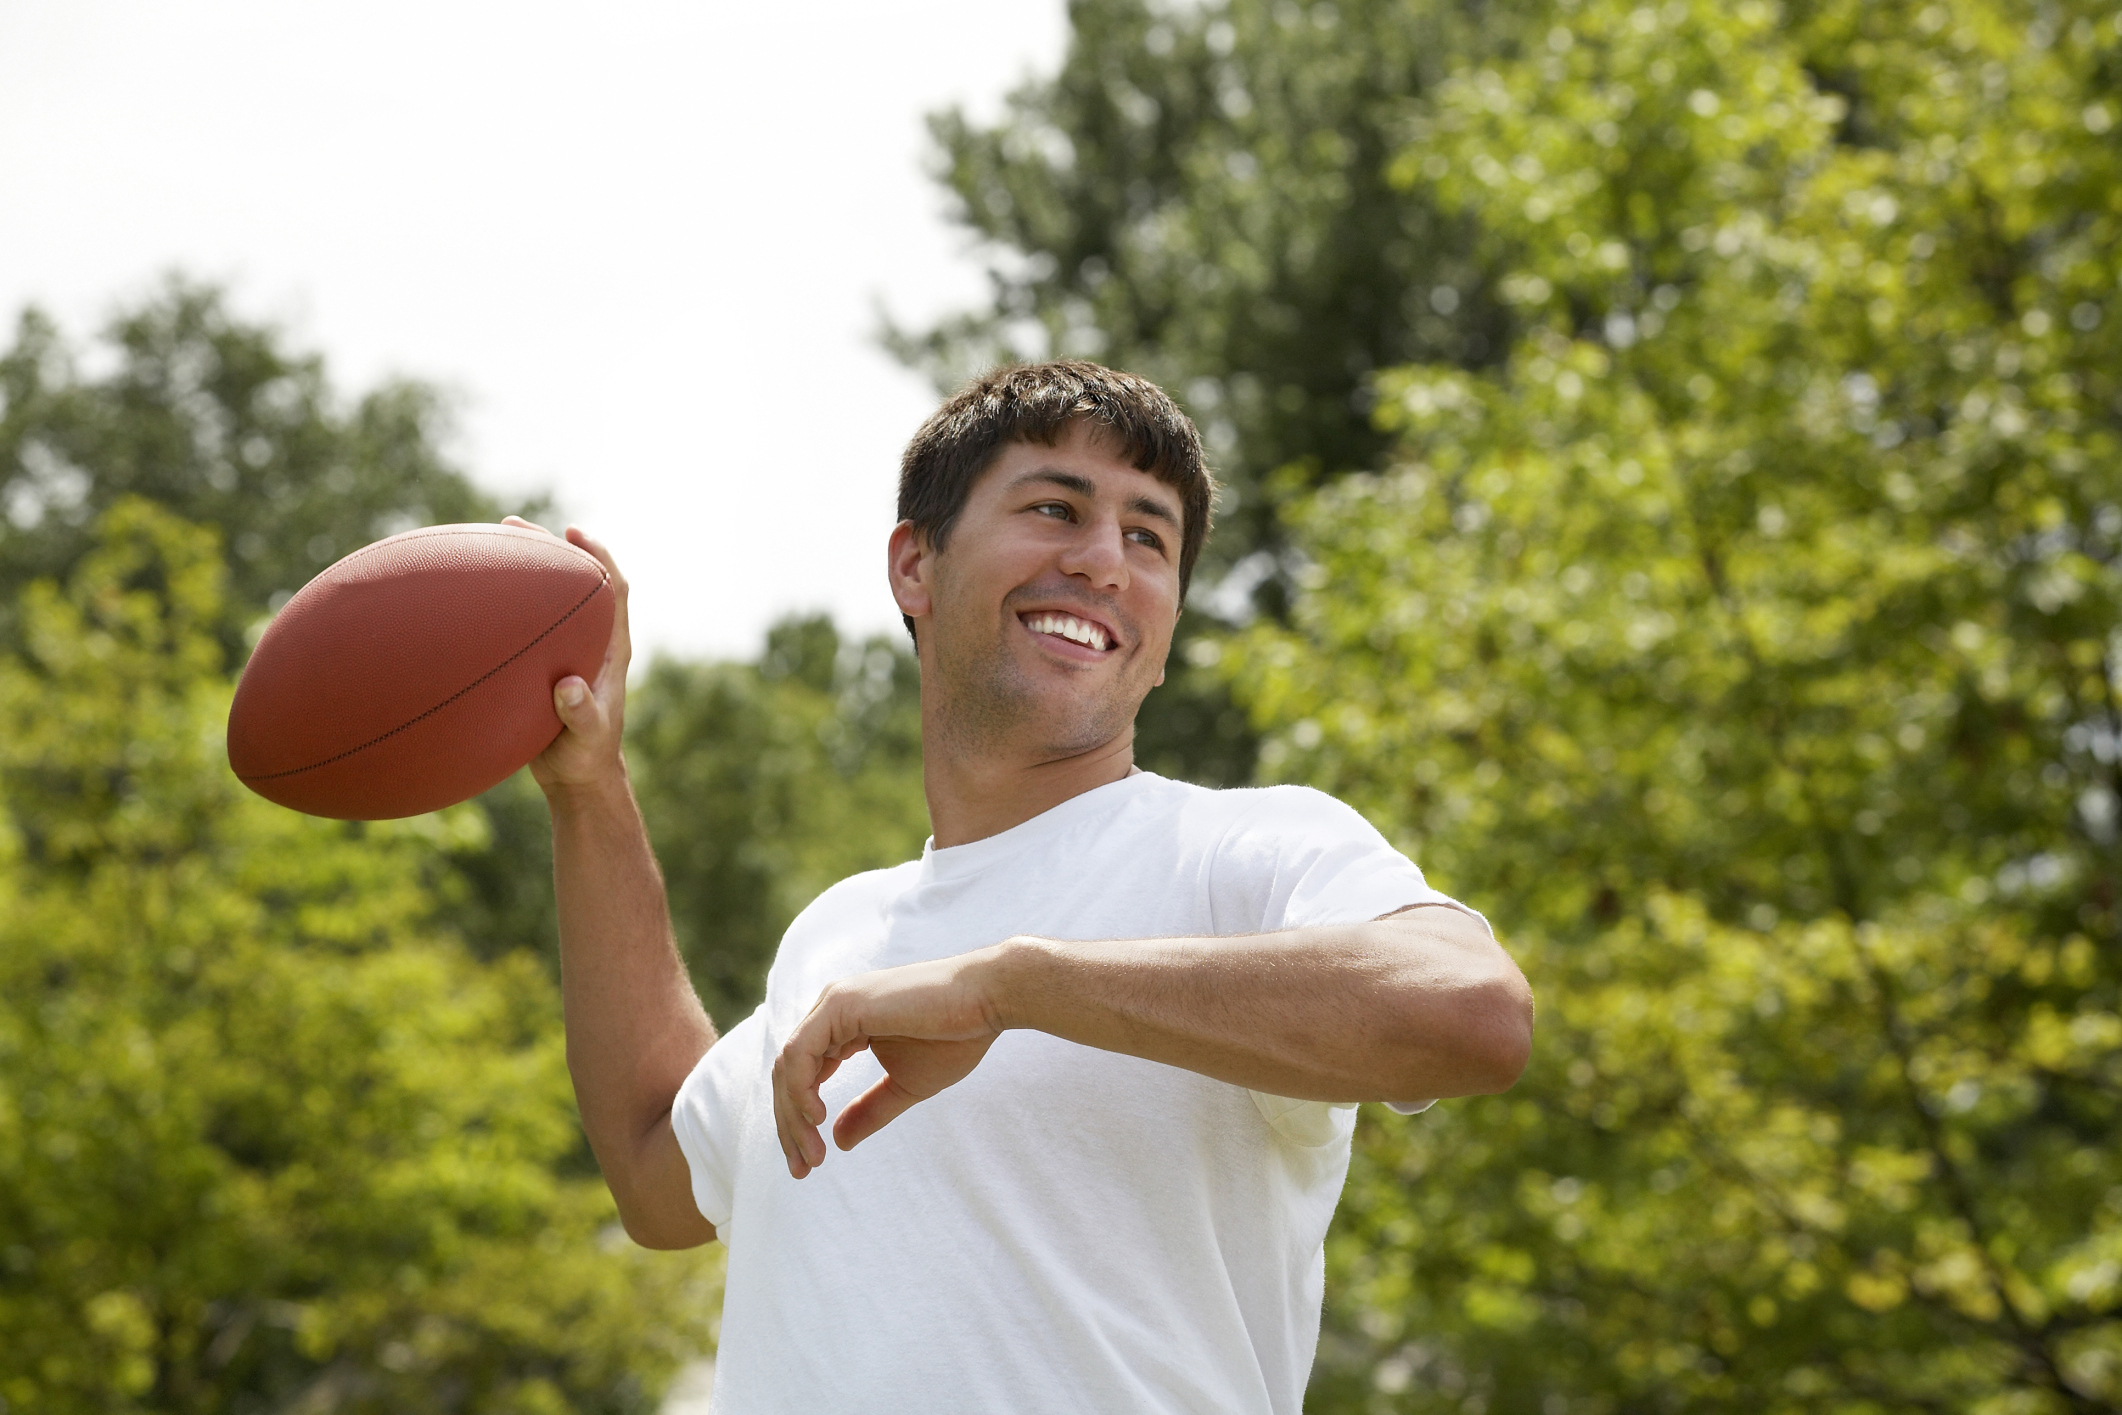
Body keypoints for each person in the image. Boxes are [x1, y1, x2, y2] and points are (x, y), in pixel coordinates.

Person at [513, 361, 1533, 1414]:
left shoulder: (1243, 850)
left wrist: (1015, 987)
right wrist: (589, 787)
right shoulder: (836, 937)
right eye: (1056, 507)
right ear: (916, 564)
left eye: (1149, 537)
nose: (1103, 561)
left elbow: (1473, 1011)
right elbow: (650, 1169)